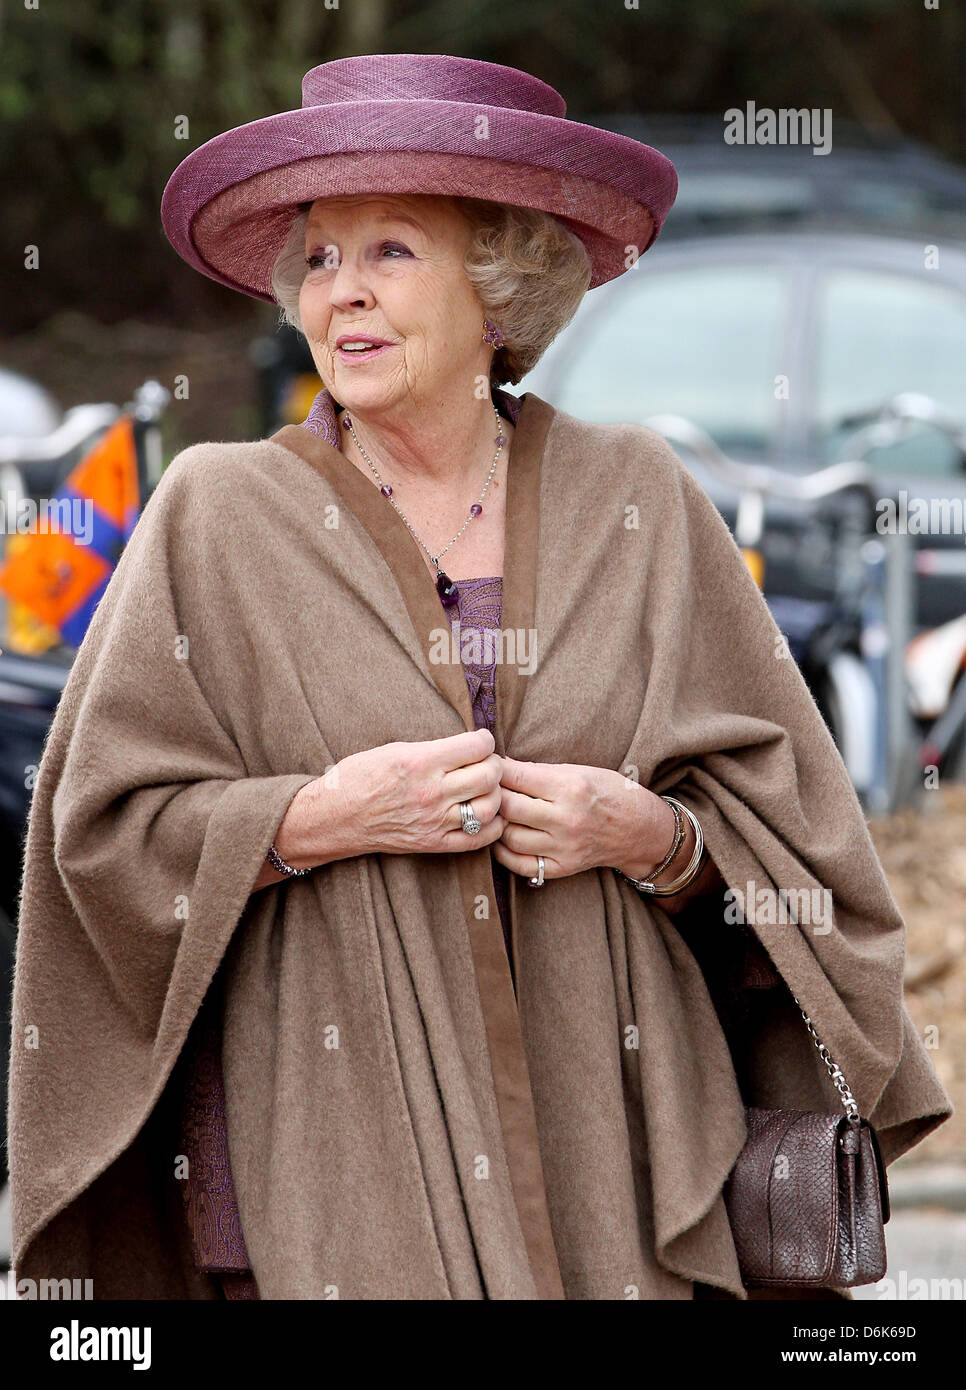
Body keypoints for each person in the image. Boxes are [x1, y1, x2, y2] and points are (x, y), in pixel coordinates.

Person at [8, 53, 951, 1301]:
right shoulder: (217, 515)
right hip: (328, 1179)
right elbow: (98, 840)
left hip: (613, 1156)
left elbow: (808, 853)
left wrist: (660, 841)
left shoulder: (643, 504)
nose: (341, 293)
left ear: (500, 283)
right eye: (321, 257)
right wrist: (308, 821)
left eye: (390, 251)